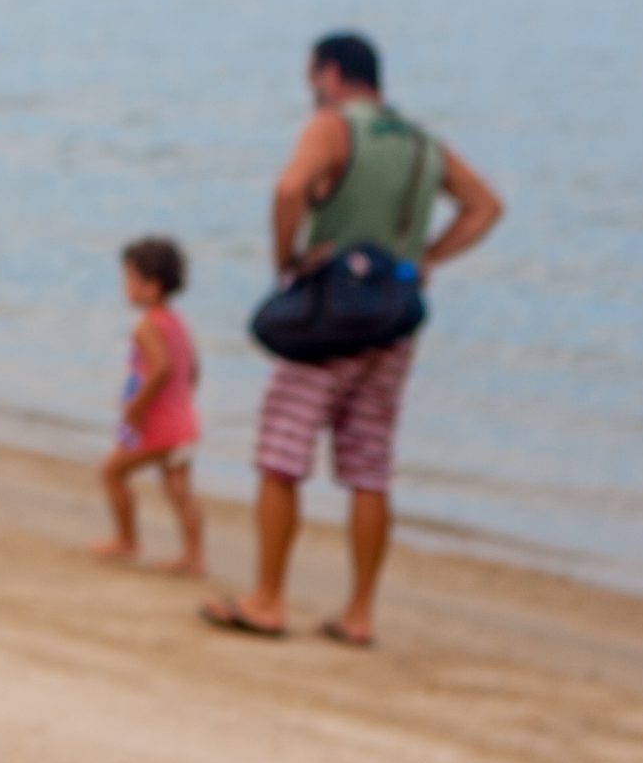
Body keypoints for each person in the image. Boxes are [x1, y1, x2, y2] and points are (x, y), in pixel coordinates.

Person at [203, 32, 503, 647]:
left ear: (331, 74)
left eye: (314, 78)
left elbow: (289, 189)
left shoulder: (331, 127)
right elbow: (485, 207)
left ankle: (267, 599)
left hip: (328, 317)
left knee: (282, 454)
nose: (313, 90)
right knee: (369, 464)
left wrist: (286, 259)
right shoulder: (424, 144)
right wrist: (425, 257)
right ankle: (359, 612)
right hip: (394, 319)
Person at [90, 236, 204, 576]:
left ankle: (126, 539)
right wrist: (180, 403)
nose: (124, 287)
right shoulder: (176, 323)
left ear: (151, 287)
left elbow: (161, 368)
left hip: (158, 425)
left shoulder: (147, 326)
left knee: (112, 471)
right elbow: (191, 370)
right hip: (184, 422)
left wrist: (135, 407)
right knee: (179, 489)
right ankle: (193, 557)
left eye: (128, 279)